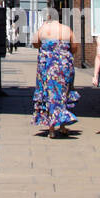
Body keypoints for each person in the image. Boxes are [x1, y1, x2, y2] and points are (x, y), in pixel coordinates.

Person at [31, 9, 79, 137]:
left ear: (48, 17)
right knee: (64, 94)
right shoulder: (67, 29)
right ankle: (62, 126)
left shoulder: (43, 29)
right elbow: (74, 47)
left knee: (49, 94)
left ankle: (51, 129)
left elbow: (35, 43)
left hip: (47, 67)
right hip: (64, 67)